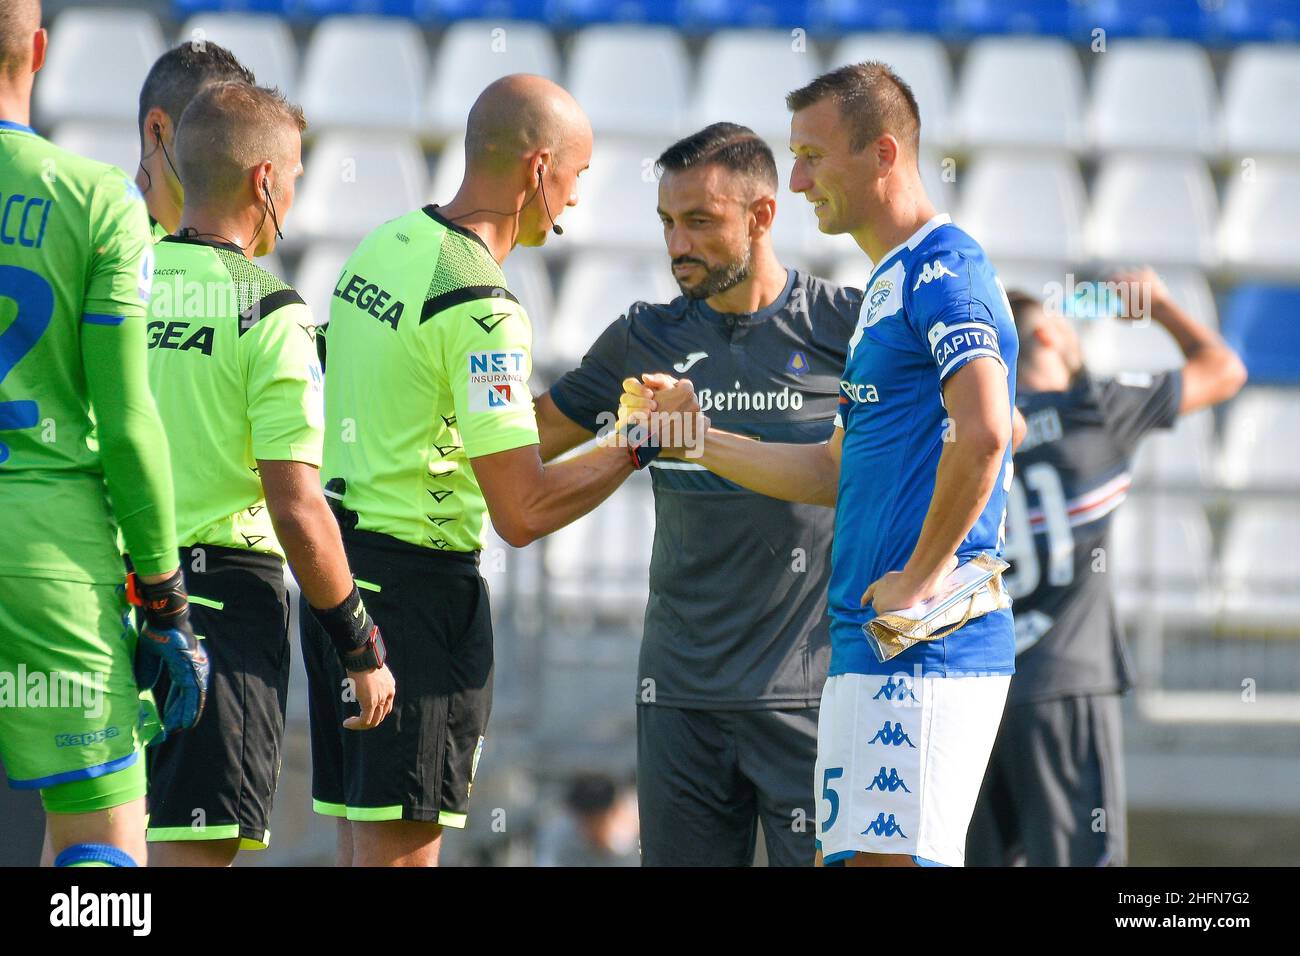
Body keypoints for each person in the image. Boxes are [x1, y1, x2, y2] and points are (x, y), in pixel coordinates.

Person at [624, 61, 1019, 867]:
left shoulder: (946, 269)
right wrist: (691, 438)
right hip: (866, 650)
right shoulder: (886, 286)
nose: (797, 180)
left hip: (924, 648)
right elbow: (834, 470)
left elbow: (985, 433)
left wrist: (922, 577)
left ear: (881, 154)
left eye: (812, 155)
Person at [302, 74, 691, 867]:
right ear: (538, 168)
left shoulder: (386, 244)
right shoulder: (483, 306)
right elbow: (521, 511)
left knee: (360, 850)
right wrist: (641, 442)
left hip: (340, 587)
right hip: (415, 602)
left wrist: (590, 413)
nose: (576, 200)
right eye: (576, 176)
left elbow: (449, 435)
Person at [535, 123, 861, 866]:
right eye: (668, 223)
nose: (678, 244)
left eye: (701, 222)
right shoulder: (643, 338)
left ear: (763, 216)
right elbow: (522, 444)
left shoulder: (846, 327)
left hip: (810, 696)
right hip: (679, 695)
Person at [142, 81, 395, 867]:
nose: (294, 190)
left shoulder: (122, 281)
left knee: (96, 849)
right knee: (191, 855)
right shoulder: (268, 309)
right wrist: (360, 641)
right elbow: (297, 508)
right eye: (294, 174)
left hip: (107, 591)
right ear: (264, 183)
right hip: (217, 608)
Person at [0, 0, 207, 868]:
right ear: (39, 50)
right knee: (100, 848)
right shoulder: (95, 201)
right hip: (49, 553)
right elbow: (127, 425)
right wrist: (165, 603)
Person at [966, 270, 1246, 867]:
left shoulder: (963, 431)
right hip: (1065, 686)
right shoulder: (1094, 408)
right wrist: (1161, 305)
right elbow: (1225, 369)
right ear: (1044, 339)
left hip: (972, 694)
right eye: (1065, 327)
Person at [134, 40, 256, 241]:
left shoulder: (230, 254)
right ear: (157, 128)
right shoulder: (103, 246)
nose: (231, 151)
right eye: (209, 125)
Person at [535, 773, 640, 867]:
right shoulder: (558, 834)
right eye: (586, 817)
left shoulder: (633, 828)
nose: (591, 824)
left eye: (597, 817)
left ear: (613, 811)